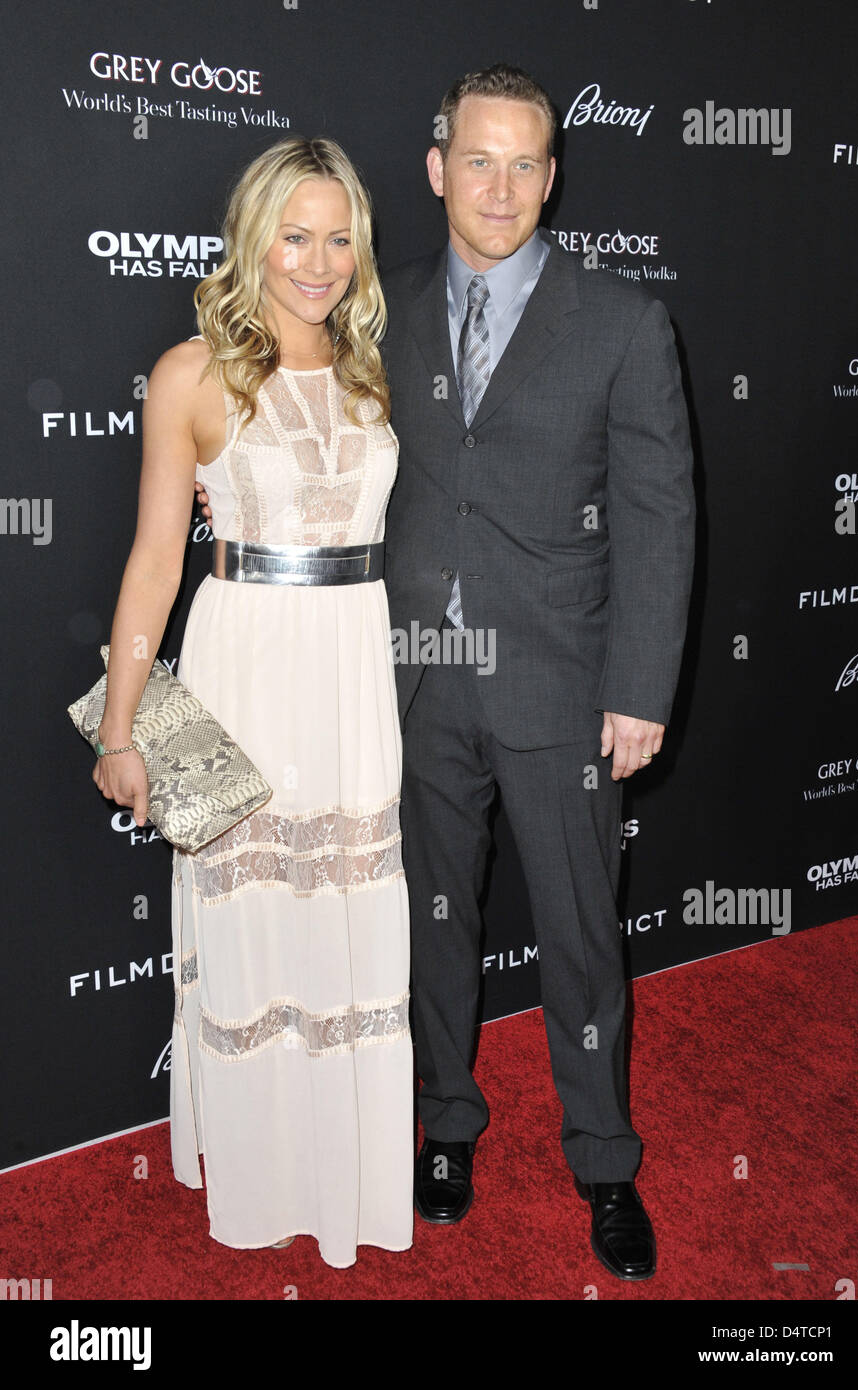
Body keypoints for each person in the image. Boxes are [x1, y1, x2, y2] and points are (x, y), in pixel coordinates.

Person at [198, 64, 695, 1283]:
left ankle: (604, 1159)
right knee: (430, 925)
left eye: (528, 162)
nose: (502, 186)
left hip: (561, 682)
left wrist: (638, 687)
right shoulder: (380, 314)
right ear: (435, 169)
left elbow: (658, 511)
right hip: (402, 683)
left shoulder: (623, 320)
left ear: (552, 175)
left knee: (581, 935)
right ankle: (446, 1124)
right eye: (480, 158)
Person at [94, 137, 413, 1268]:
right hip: (245, 662)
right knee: (249, 927)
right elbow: (151, 565)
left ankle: (344, 1169)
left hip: (351, 669)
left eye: (338, 238)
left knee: (345, 920)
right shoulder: (192, 376)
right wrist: (124, 726)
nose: (316, 261)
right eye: (294, 234)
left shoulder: (377, 369)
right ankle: (265, 1172)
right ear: (252, 238)